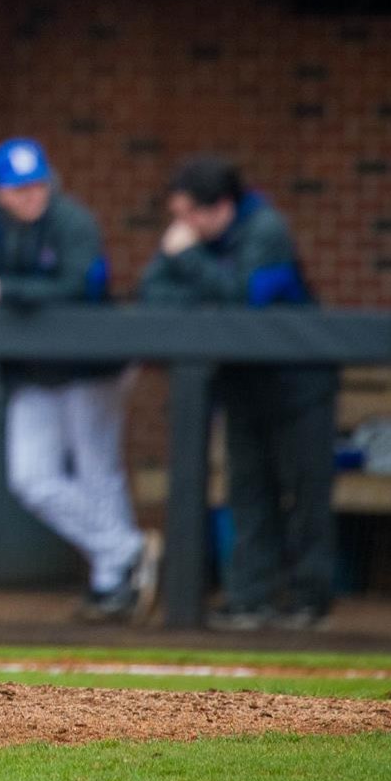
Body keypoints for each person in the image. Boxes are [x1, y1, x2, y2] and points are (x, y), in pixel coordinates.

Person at [0, 138, 159, 624]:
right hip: (35, 371)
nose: (31, 196)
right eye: (18, 189)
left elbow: (77, 285)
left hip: (91, 366)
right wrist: (2, 290)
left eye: (36, 185)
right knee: (31, 479)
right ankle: (127, 549)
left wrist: (8, 289)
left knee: (97, 472)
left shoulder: (72, 220)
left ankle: (112, 583)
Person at [139, 155, 338, 631]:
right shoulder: (192, 238)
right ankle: (250, 598)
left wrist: (188, 262)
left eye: (189, 214)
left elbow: (246, 298)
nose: (181, 226)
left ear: (221, 207)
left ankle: (309, 601)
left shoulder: (265, 229)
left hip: (298, 382)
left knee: (305, 492)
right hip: (243, 383)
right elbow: (151, 292)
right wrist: (195, 273)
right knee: (247, 492)